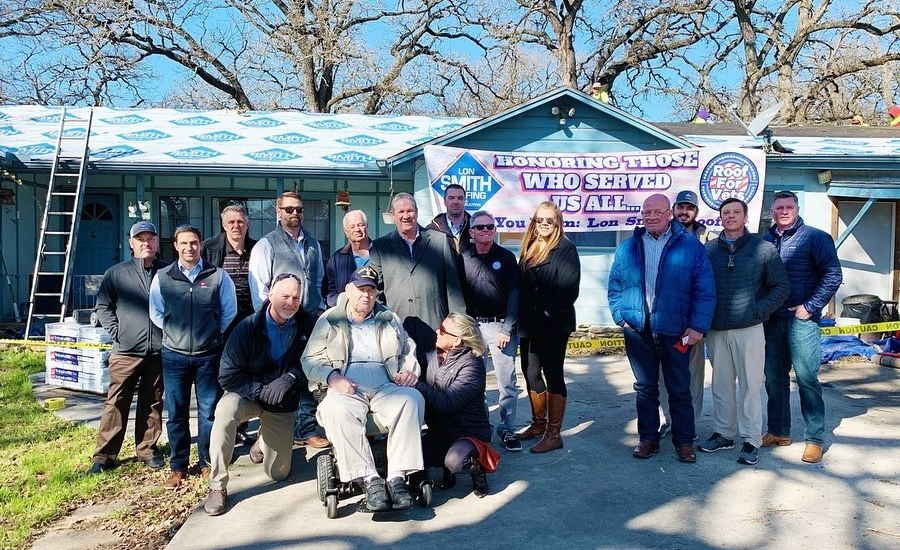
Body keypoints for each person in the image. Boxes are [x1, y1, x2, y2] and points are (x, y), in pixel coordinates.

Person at [302, 266, 425, 512]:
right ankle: (370, 480)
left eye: (371, 290)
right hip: (347, 385)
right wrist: (332, 377)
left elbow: (407, 350)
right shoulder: (329, 319)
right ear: (348, 290)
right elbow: (310, 359)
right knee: (335, 409)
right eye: (361, 289)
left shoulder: (389, 318)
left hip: (385, 382)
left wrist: (410, 371)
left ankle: (397, 477)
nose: (366, 296)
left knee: (411, 399)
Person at [607, 193, 715, 463]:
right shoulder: (628, 247)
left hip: (676, 331)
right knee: (645, 388)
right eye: (647, 212)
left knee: (680, 388)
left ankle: (684, 442)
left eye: (658, 212)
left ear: (669, 214)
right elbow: (615, 286)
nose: (652, 217)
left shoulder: (690, 246)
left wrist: (697, 326)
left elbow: (705, 291)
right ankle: (648, 439)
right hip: (638, 330)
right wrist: (620, 316)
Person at [204, 273, 317, 515]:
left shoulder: (308, 323)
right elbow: (227, 375)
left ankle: (262, 441)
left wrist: (291, 377)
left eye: (296, 297)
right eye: (285, 296)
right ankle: (217, 485)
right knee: (225, 411)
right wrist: (260, 390)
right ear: (270, 295)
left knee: (278, 473)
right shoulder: (246, 328)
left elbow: (316, 360)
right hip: (247, 394)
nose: (290, 302)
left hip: (281, 403)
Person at [697, 198, 790, 466]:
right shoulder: (710, 250)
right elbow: (700, 287)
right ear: (720, 218)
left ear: (745, 217)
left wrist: (759, 311)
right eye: (726, 213)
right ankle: (724, 433)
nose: (730, 217)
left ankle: (751, 439)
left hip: (749, 328)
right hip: (716, 329)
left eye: (736, 212)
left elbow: (781, 287)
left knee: (751, 385)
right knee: (721, 385)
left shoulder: (763, 248)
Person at [149, 224, 237, 488]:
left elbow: (228, 312)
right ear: (175, 246)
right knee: (176, 412)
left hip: (208, 355)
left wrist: (210, 333)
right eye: (184, 243)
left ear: (201, 245)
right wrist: (176, 333)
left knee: (209, 412)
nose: (189, 248)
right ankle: (178, 466)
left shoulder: (218, 277)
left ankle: (205, 463)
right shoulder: (163, 277)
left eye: (194, 243)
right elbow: (156, 311)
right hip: (174, 356)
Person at [762, 190, 842, 463]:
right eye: (779, 207)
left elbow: (833, 275)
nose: (783, 211)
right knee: (774, 379)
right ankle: (778, 431)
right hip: (772, 321)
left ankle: (815, 439)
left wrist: (810, 307)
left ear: (796, 209)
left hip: (802, 320)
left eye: (788, 207)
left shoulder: (816, 238)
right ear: (772, 211)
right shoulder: (765, 239)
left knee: (807, 379)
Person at [248, 191, 329, 449]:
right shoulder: (266, 244)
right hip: (280, 321)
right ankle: (265, 436)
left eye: (299, 210)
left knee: (304, 374)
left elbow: (317, 281)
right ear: (278, 211)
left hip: (309, 321)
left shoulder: (313, 244)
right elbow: (259, 289)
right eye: (289, 209)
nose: (295, 214)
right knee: (277, 376)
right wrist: (269, 321)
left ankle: (304, 429)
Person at [89, 221, 166, 474]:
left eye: (150, 238)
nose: (146, 242)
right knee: (116, 402)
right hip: (126, 351)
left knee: (152, 402)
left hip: (158, 350)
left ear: (156, 242)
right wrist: (118, 332)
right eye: (140, 238)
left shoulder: (167, 271)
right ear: (131, 243)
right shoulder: (116, 273)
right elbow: (103, 306)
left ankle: (147, 449)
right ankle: (105, 456)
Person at [516, 201, 580, 454]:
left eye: (549, 221)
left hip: (553, 324)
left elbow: (568, 289)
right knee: (530, 372)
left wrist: (543, 311)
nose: (543, 224)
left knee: (553, 374)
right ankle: (538, 423)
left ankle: (554, 433)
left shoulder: (565, 248)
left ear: (557, 223)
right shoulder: (529, 247)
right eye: (539, 220)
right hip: (529, 324)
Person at [368, 192, 465, 351]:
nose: (406, 216)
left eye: (410, 211)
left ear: (417, 213)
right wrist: (384, 322)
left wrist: (457, 327)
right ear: (393, 216)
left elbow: (453, 288)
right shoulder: (380, 247)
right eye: (401, 212)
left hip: (436, 328)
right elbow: (376, 292)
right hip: (398, 328)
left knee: (435, 375)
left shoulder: (439, 241)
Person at [459, 210, 522, 452]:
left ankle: (506, 429)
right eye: (480, 227)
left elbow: (516, 294)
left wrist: (507, 327)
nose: (486, 231)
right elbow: (458, 294)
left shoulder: (506, 257)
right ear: (472, 232)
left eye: (490, 227)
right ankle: (481, 429)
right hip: (473, 328)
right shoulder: (463, 257)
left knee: (507, 382)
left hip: (500, 328)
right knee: (476, 382)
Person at [416, 313, 496, 498]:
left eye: (443, 330)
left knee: (454, 460)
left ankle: (477, 467)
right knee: (411, 453)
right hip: (441, 431)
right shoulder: (431, 355)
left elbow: (448, 403)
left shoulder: (472, 366)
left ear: (457, 340)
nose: (437, 331)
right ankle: (446, 469)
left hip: (469, 433)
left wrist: (417, 385)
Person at [202, 203, 258, 446]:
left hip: (249, 321)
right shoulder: (211, 248)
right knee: (219, 374)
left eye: (240, 222)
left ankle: (240, 425)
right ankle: (219, 426)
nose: (236, 226)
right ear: (223, 225)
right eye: (231, 223)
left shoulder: (257, 248)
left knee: (244, 373)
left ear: (247, 224)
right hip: (220, 321)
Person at [658, 190, 710, 438]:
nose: (684, 212)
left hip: (693, 327)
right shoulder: (661, 235)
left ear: (696, 212)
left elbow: (707, 286)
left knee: (692, 377)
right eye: (680, 207)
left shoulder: (707, 239)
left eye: (689, 208)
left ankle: (690, 425)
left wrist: (700, 324)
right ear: (673, 209)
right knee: (663, 376)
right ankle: (669, 420)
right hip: (665, 322)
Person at [324, 209, 372, 307]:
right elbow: (330, 293)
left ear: (367, 227)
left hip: (377, 315)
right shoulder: (336, 259)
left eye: (360, 225)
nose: (357, 229)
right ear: (346, 232)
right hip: (345, 315)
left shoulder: (381, 254)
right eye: (352, 226)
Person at [428, 183, 471, 253]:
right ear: (445, 201)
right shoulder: (432, 229)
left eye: (460, 198)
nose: (456, 202)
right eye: (451, 198)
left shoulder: (476, 227)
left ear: (465, 201)